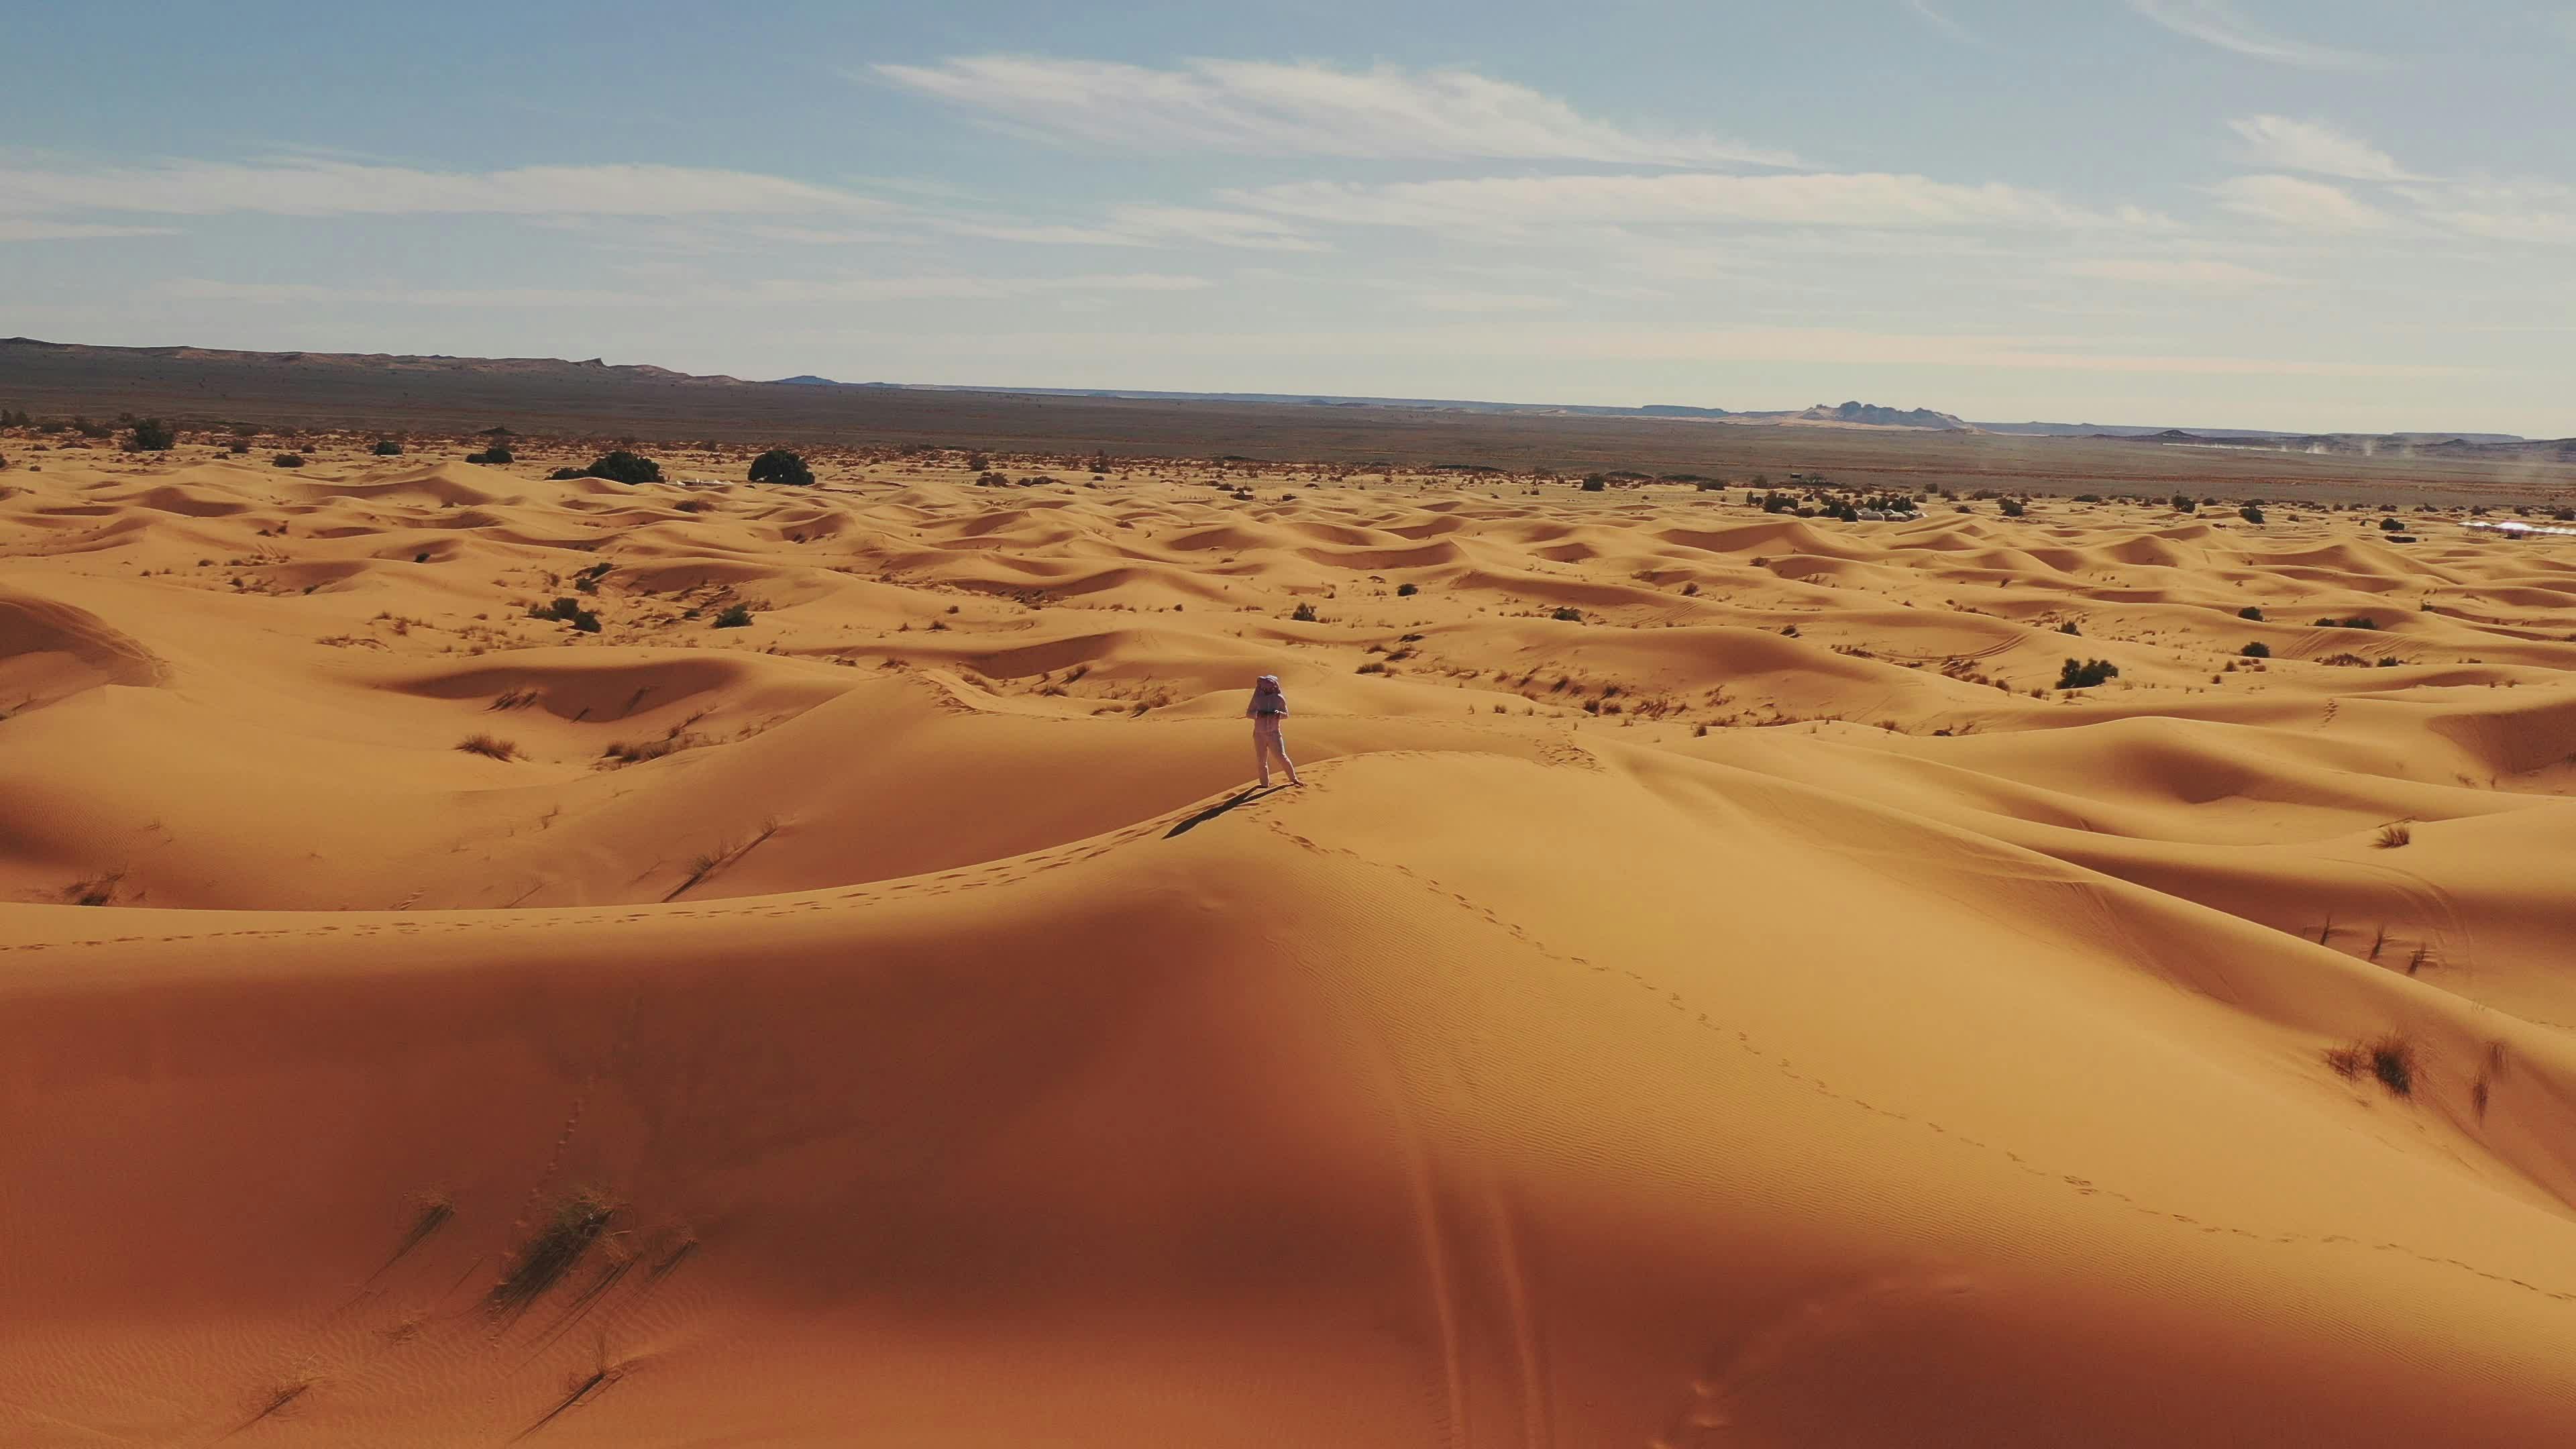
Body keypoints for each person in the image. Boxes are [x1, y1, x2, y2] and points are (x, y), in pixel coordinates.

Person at [1246, 674, 1301, 787]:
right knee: (1261, 760)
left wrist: (1277, 714)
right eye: (1265, 688)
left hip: (1274, 734)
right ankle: (1264, 784)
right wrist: (1258, 714)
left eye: (1270, 688)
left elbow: (1286, 715)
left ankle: (1294, 779)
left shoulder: (1279, 699)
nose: (1267, 690)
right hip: (1259, 734)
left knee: (1282, 756)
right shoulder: (1257, 699)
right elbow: (1249, 714)